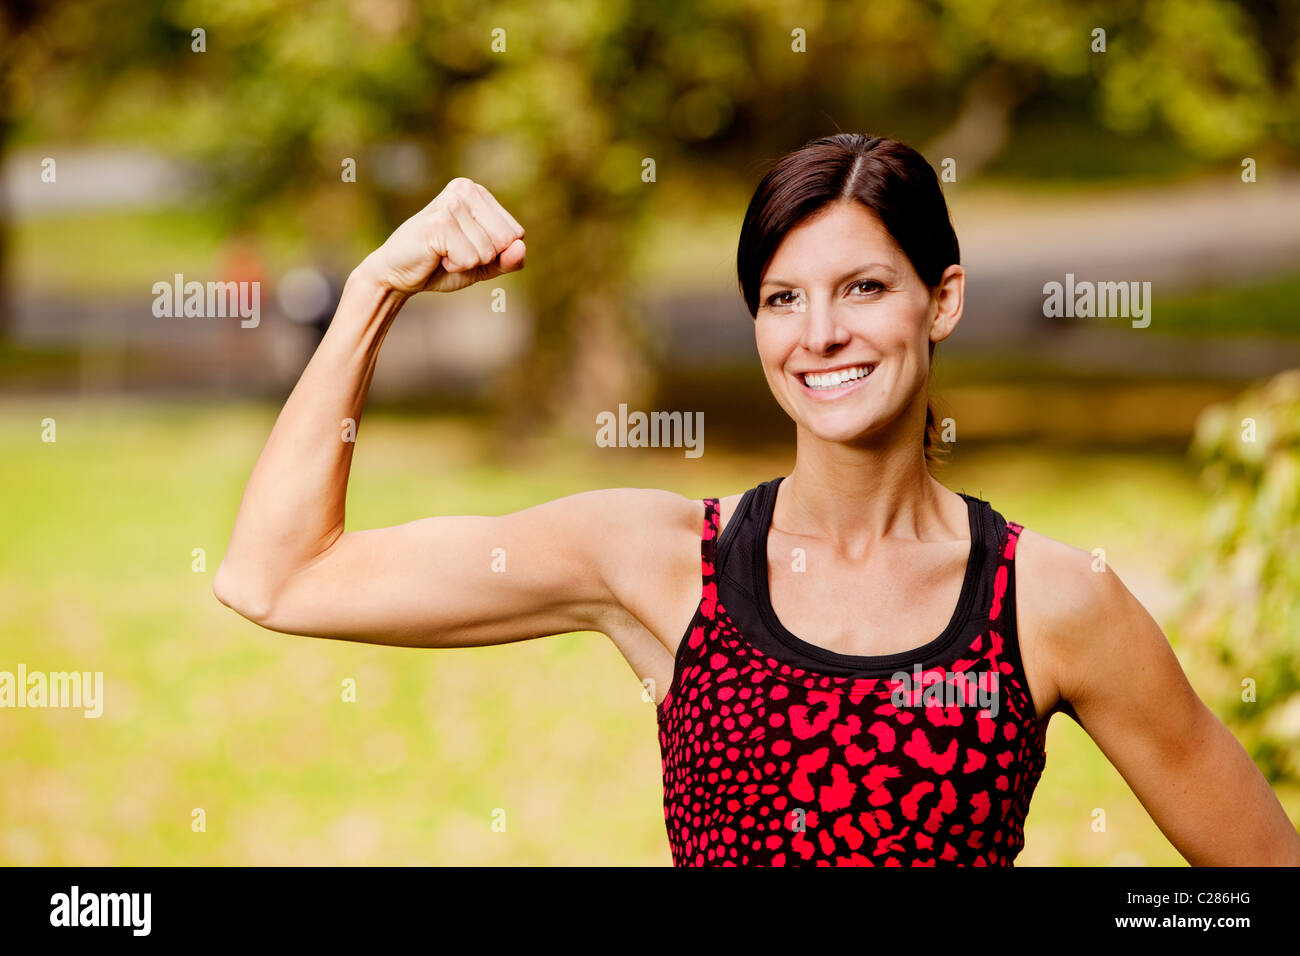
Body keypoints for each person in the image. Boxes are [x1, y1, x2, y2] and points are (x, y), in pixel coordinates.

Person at [214, 133, 1300, 867]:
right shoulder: (654, 559)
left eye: (864, 287)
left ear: (943, 301)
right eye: (782, 297)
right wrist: (374, 288)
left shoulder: (1052, 602)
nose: (819, 332)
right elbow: (279, 574)